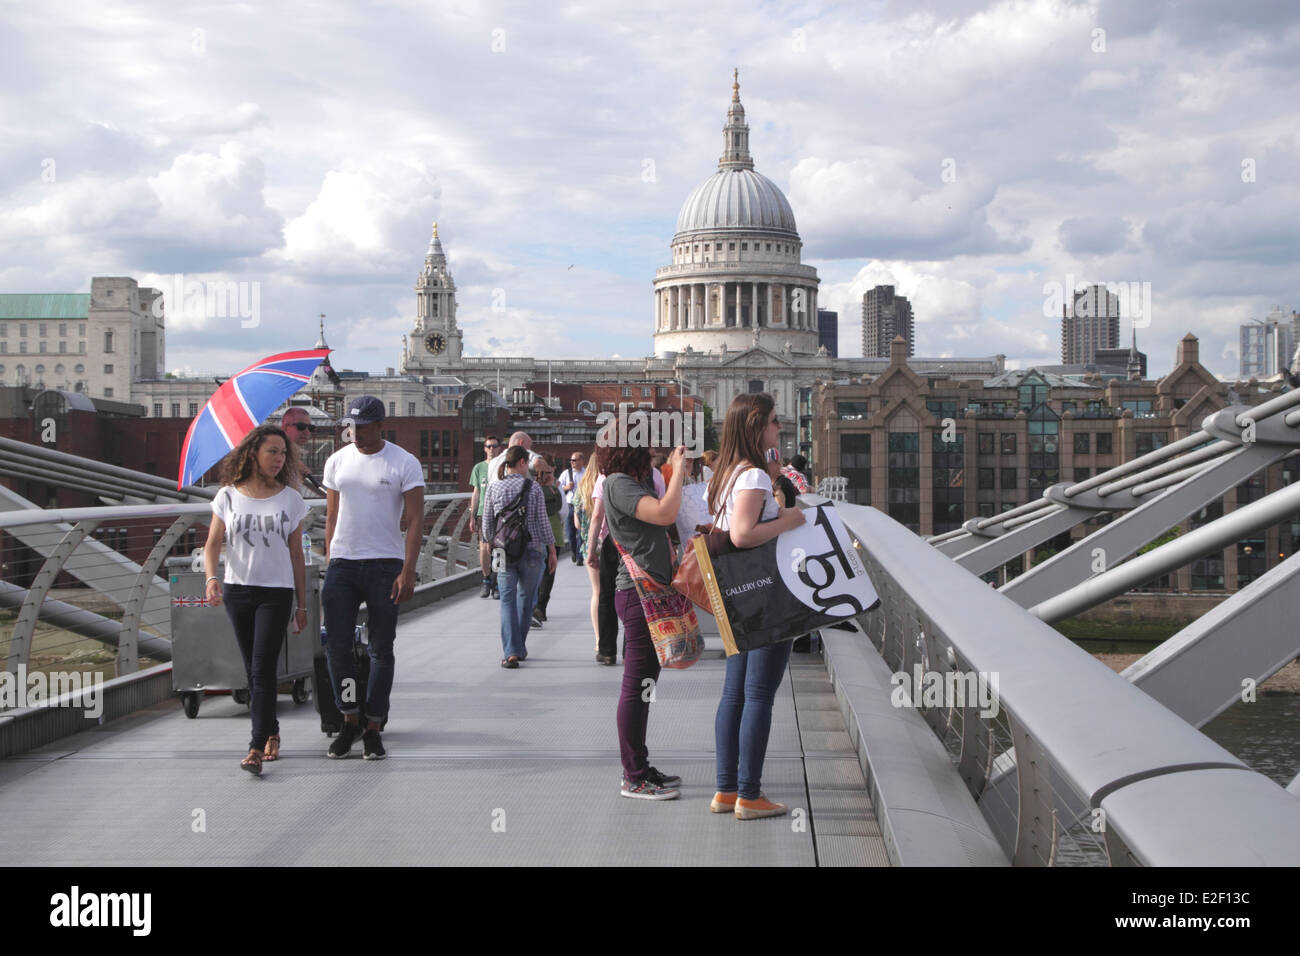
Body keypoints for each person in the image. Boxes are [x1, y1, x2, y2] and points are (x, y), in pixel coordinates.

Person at [707, 393, 807, 819]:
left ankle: (727, 791)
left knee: (734, 694)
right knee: (758, 696)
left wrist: (769, 478)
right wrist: (790, 517)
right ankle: (749, 795)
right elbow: (745, 534)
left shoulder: (728, 475)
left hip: (735, 594)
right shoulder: (752, 479)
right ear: (755, 426)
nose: (779, 428)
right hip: (763, 595)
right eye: (773, 421)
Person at [321, 395, 425, 760]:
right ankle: (349, 717)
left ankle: (373, 726)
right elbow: (332, 516)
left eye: (363, 428)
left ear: (381, 425)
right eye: (351, 428)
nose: (357, 434)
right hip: (344, 564)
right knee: (336, 647)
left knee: (382, 649)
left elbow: (415, 520)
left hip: (385, 565)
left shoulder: (404, 462)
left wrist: (408, 570)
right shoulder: (337, 461)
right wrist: (330, 558)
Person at [202, 425, 308, 775]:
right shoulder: (228, 496)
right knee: (253, 669)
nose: (279, 459)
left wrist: (302, 603)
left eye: (283, 453)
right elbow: (213, 544)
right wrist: (212, 578)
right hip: (238, 590)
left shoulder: (291, 499)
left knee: (262, 668)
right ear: (253, 453)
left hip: (275, 593)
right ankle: (272, 732)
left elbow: (296, 555)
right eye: (272, 452)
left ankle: (254, 748)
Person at [601, 440, 689, 799]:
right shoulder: (618, 483)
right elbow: (665, 514)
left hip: (650, 590)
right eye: (647, 443)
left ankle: (640, 763)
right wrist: (679, 469)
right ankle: (632, 775)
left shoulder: (635, 481)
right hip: (638, 595)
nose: (654, 449)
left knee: (645, 685)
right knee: (636, 687)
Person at [482, 446, 556, 667]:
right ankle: (519, 646)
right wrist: (551, 549)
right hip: (532, 549)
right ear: (522, 462)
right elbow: (543, 521)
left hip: (502, 550)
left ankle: (510, 651)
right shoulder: (533, 488)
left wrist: (488, 544)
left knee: (506, 599)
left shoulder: (494, 488)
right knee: (526, 599)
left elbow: (487, 522)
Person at [468, 435, 502, 599]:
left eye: (494, 446)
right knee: (484, 548)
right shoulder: (479, 467)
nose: (491, 449)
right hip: (483, 512)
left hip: (501, 513)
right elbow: (476, 493)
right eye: (488, 446)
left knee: (500, 548)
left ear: (499, 448)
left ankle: (498, 583)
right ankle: (486, 579)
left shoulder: (503, 466)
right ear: (484, 448)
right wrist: (472, 516)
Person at [532, 455, 564, 626]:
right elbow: (563, 511)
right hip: (555, 534)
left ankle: (532, 605)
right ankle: (541, 608)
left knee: (534, 571)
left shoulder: (530, 488)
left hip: (534, 537)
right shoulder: (555, 489)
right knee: (549, 572)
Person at [558, 451, 586, 564]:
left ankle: (580, 557)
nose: (572, 462)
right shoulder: (566, 473)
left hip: (582, 507)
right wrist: (566, 487)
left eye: (574, 460)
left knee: (581, 532)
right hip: (570, 506)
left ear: (581, 461)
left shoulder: (586, 473)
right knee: (570, 533)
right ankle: (574, 552)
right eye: (571, 460)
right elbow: (558, 487)